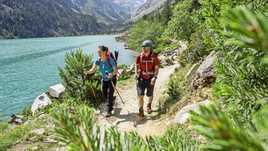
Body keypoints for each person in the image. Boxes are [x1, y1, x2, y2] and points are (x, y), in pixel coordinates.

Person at [85, 46, 117, 117]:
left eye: (100, 51)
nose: (98, 53)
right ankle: (112, 99)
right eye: (98, 51)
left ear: (105, 52)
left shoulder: (110, 60)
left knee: (109, 93)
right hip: (104, 79)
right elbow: (93, 70)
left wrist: (111, 74)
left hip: (112, 79)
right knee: (104, 94)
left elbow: (115, 71)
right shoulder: (98, 61)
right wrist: (87, 72)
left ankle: (109, 110)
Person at [135, 40, 160, 118]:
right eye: (143, 47)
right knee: (140, 95)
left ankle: (149, 105)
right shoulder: (139, 57)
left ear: (150, 48)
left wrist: (154, 77)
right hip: (141, 79)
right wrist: (136, 74)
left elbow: (156, 69)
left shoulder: (154, 58)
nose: (144, 49)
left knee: (150, 94)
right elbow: (137, 66)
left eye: (146, 47)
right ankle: (141, 110)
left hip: (150, 79)